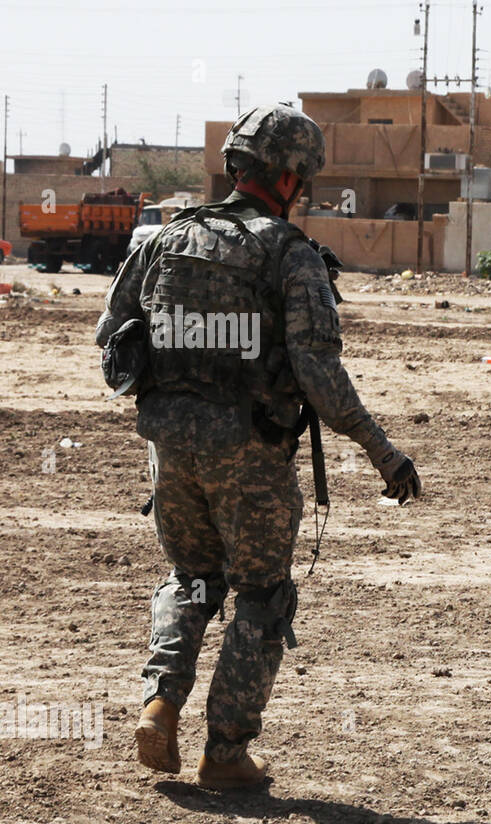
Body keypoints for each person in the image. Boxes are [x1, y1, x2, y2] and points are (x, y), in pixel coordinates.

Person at [95, 104, 421, 788]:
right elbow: (320, 375)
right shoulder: (287, 252)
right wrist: (383, 452)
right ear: (293, 177)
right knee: (261, 596)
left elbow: (114, 342)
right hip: (250, 453)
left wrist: (174, 390)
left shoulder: (164, 239)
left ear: (238, 164)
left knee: (192, 580)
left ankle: (160, 704)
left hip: (167, 447)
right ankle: (226, 752)